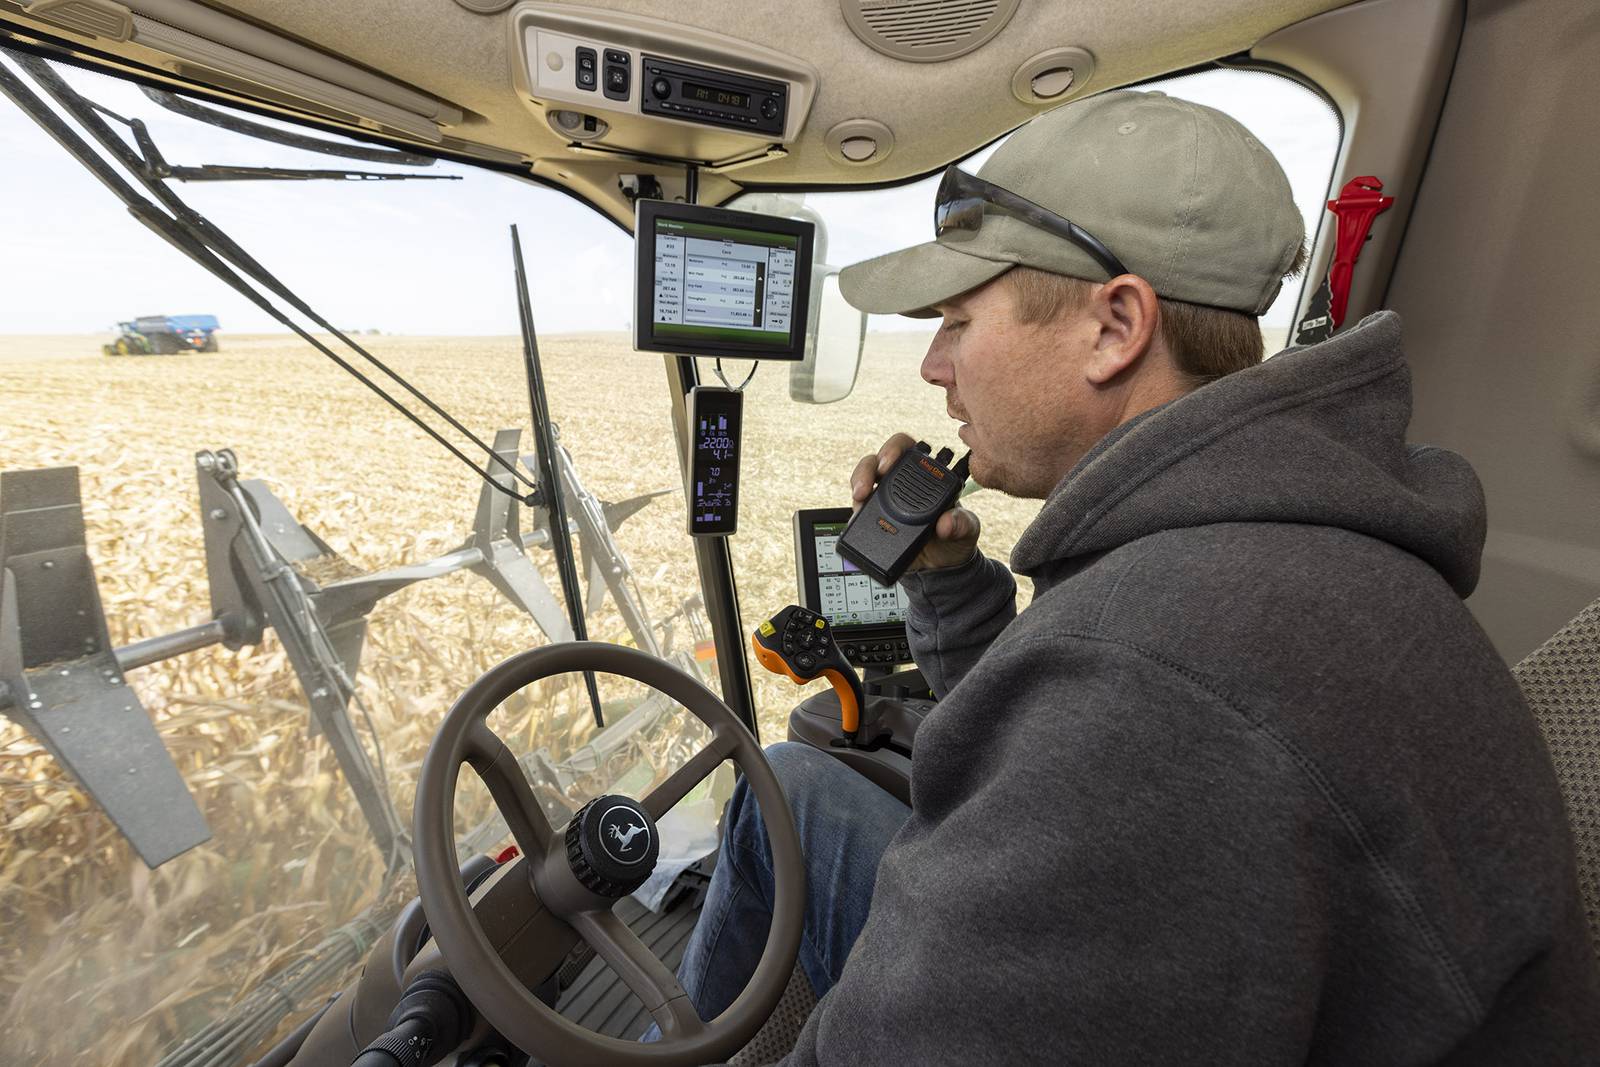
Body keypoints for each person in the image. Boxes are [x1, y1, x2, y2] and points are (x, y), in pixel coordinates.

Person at [651, 90, 1600, 1062]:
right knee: (797, 782)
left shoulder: (1152, 683)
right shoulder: (1270, 541)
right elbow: (1038, 727)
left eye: (956, 319)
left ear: (1114, 326)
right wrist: (942, 573)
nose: (934, 364)